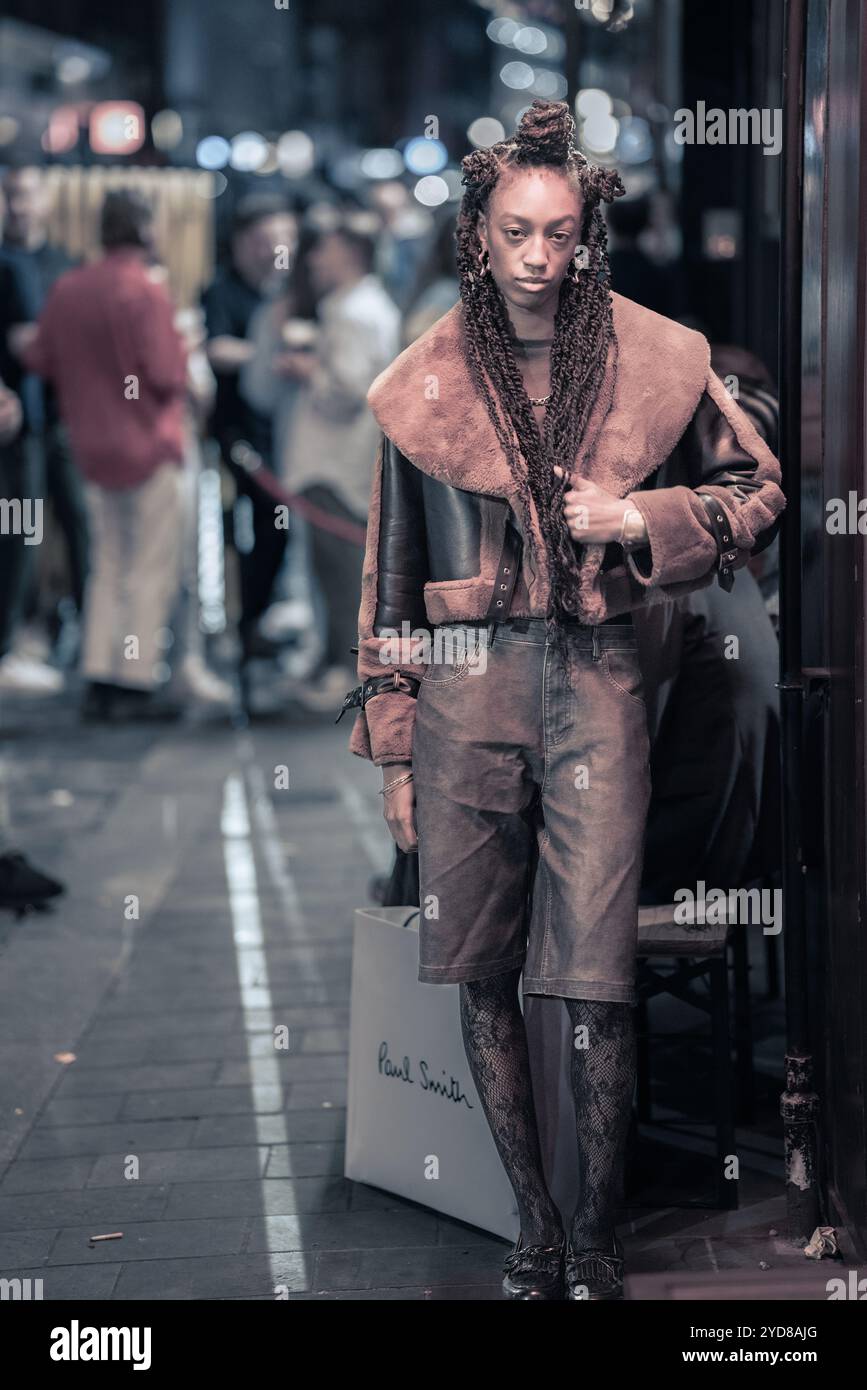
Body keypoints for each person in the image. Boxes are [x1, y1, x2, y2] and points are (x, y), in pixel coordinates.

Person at [340, 101, 785, 1301]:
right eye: (515, 232)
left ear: (587, 237)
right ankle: (535, 1228)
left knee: (592, 969)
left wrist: (644, 515)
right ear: (477, 234)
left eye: (559, 233)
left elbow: (758, 487)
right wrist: (391, 753)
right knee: (482, 966)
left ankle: (597, 1236)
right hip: (462, 688)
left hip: (597, 682)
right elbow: (386, 581)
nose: (538, 255)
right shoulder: (422, 381)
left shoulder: (658, 353)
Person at [24, 189, 189, 721]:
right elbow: (165, 375)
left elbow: (40, 356)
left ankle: (100, 676)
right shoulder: (146, 291)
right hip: (147, 444)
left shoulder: (69, 288)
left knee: (106, 564)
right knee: (147, 567)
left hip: (90, 447)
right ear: (143, 229)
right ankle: (134, 682)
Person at [266, 221, 400, 707]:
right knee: (331, 570)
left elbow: (348, 391)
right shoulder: (355, 307)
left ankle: (346, 673)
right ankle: (331, 664)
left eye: (323, 249)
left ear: (349, 251)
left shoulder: (357, 313)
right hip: (331, 461)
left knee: (342, 572)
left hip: (336, 463)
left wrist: (308, 370)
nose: (314, 260)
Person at [201, 195, 298, 659]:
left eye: (282, 239)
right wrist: (268, 359)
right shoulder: (222, 291)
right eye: (264, 240)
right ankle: (239, 623)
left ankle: (259, 616)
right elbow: (215, 348)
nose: (274, 249)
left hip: (284, 433)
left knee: (277, 526)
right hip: (234, 433)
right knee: (244, 525)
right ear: (240, 243)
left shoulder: (288, 294)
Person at [2, 163, 88, 664]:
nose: (20, 205)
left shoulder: (65, 266)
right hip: (15, 425)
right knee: (19, 531)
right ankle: (12, 643)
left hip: (67, 419)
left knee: (79, 524)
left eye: (28, 195)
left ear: (45, 201)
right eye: (12, 195)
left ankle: (86, 639)